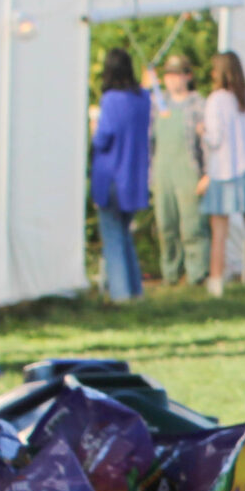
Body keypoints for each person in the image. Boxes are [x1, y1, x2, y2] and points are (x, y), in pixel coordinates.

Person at [199, 51, 245, 297]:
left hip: (224, 172)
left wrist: (202, 132)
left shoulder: (216, 100)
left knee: (219, 232)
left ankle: (216, 282)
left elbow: (215, 139)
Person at [90, 47, 151, 302]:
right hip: (134, 177)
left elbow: (103, 138)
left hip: (112, 176)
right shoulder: (143, 98)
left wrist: (93, 128)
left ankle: (121, 293)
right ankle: (135, 290)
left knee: (113, 237)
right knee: (125, 235)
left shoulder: (111, 100)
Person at [148, 53, 211, 285]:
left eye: (178, 74)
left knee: (193, 224)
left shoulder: (198, 103)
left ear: (188, 76)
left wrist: (207, 173)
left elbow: (206, 143)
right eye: (169, 75)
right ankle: (171, 272)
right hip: (162, 170)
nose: (173, 80)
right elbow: (149, 141)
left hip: (188, 170)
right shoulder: (157, 102)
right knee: (166, 224)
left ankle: (197, 272)